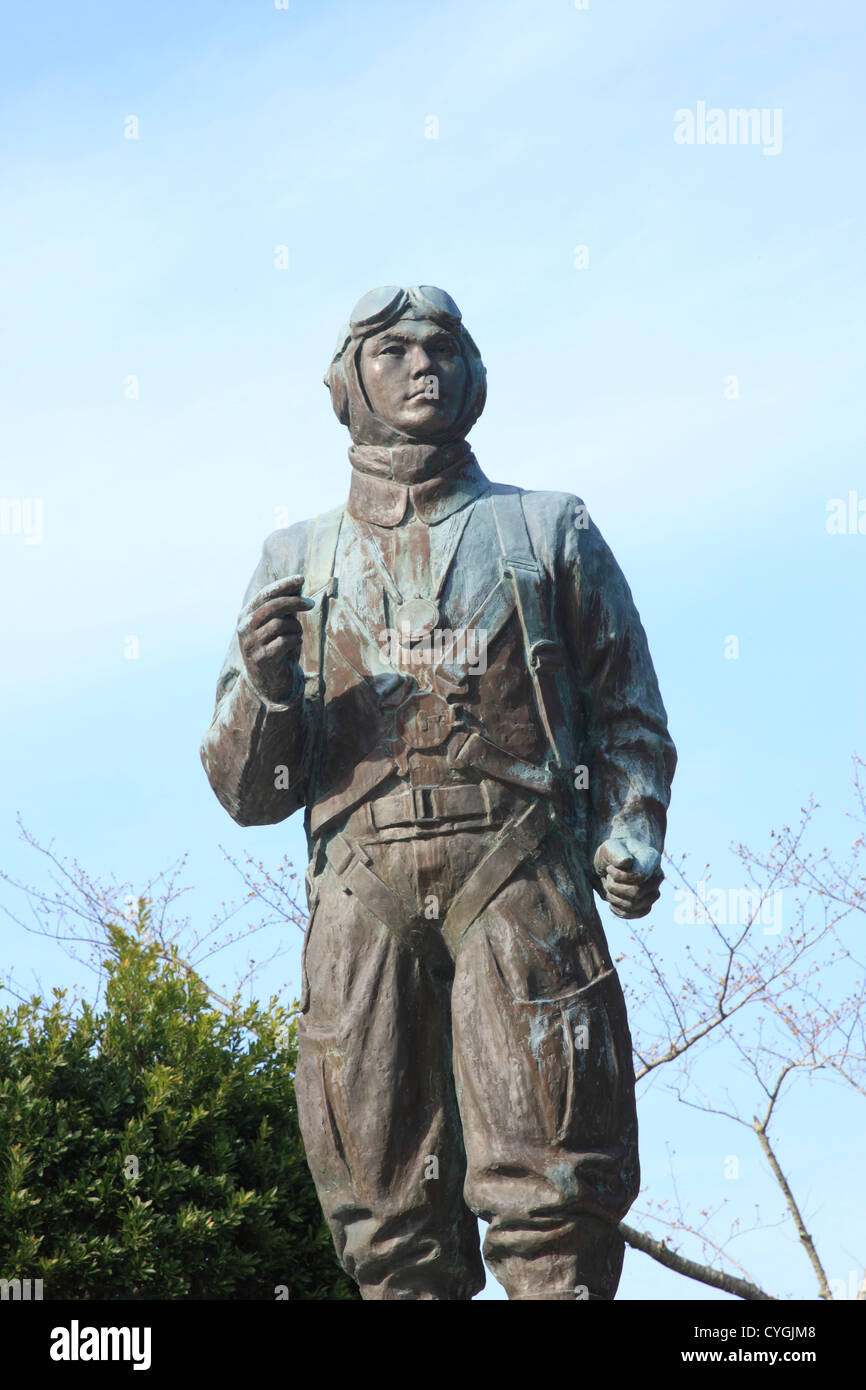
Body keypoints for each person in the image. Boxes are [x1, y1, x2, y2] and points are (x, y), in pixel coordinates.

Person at [201, 285, 677, 1300]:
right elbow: (248, 790)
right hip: (360, 890)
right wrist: (267, 685)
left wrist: (630, 826)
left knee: (555, 1186)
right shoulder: (294, 559)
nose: (422, 366)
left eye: (443, 348)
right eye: (392, 350)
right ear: (347, 382)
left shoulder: (546, 530)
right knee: (383, 1209)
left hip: (518, 872)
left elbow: (625, 709)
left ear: (473, 377)